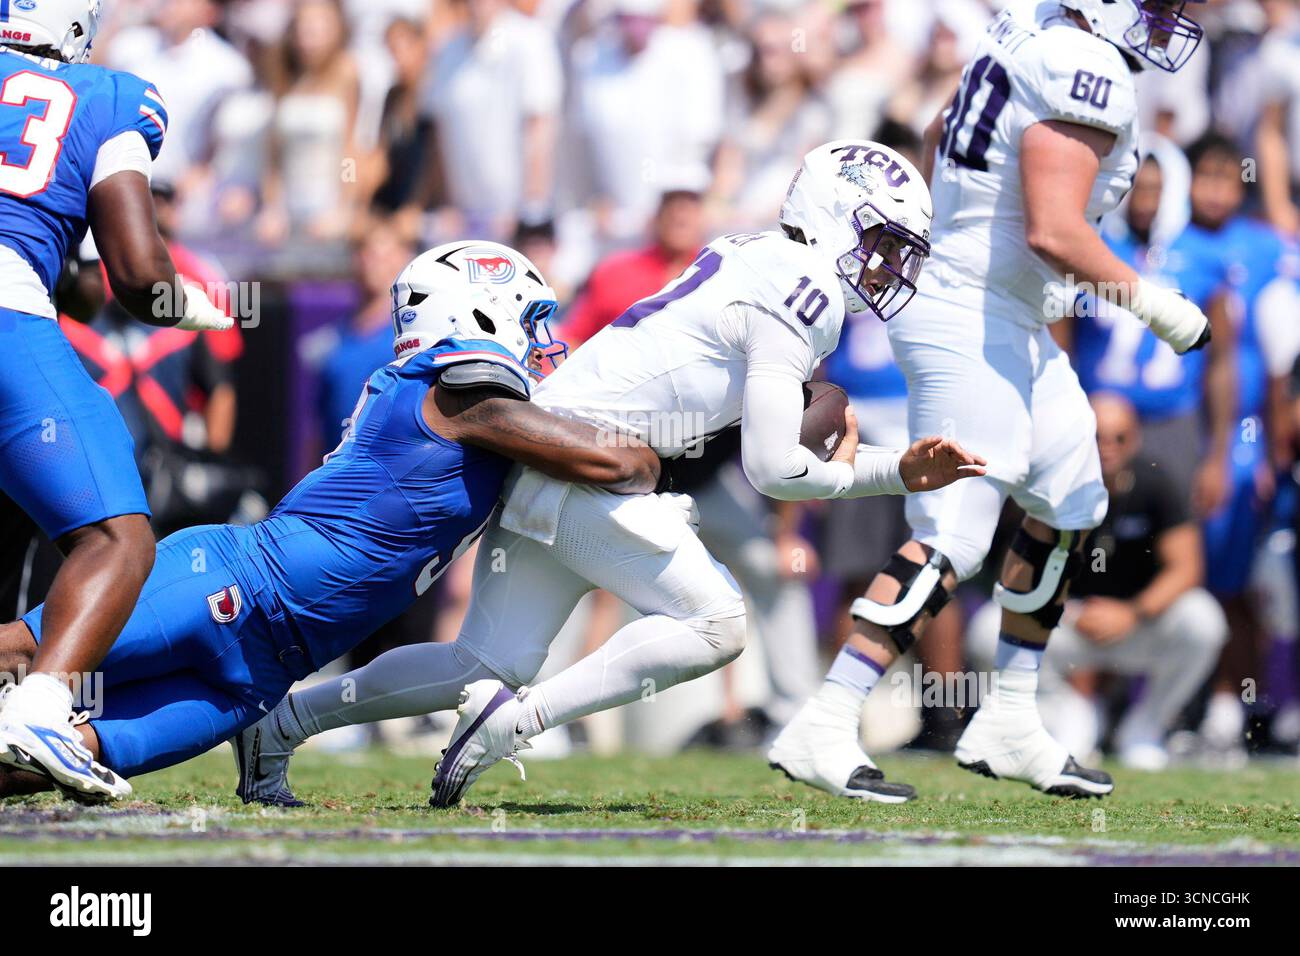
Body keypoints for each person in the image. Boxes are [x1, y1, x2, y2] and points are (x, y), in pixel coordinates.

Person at [242, 139, 987, 808]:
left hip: (553, 452)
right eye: (881, 241)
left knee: (480, 660)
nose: (889, 266)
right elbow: (773, 469)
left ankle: (287, 718)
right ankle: (516, 722)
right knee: (718, 624)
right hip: (585, 460)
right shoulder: (808, 288)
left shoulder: (757, 253)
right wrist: (887, 473)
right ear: (832, 216)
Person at [0, 241, 663, 804]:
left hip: (263, 674)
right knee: (25, 656)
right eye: (533, 318)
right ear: (479, 308)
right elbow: (607, 461)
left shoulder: (468, 404)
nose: (545, 340)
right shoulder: (458, 393)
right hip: (230, 589)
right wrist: (645, 449)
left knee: (44, 759)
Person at [771, 0, 1211, 802]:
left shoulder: (1022, 34)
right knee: (957, 536)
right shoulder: (1087, 65)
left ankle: (1008, 717)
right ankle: (825, 719)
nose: (1163, 18)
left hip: (1000, 311)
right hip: (975, 315)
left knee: (1074, 497)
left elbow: (943, 134)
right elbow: (1053, 231)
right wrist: (1158, 306)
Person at [0, 0, 233, 802]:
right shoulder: (107, 97)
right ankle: (38, 708)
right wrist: (194, 306)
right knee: (117, 541)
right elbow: (136, 277)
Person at [967, 393, 1226, 769]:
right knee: (988, 628)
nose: (1106, 448)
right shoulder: (1048, 487)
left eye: (1118, 438)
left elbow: (1186, 568)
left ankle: (1147, 725)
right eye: (1096, 437)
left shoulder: (1156, 483)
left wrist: (1132, 613)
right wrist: (1067, 609)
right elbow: (1016, 571)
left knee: (1203, 619)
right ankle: (1066, 716)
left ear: (1135, 439)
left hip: (1138, 623)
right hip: (1066, 623)